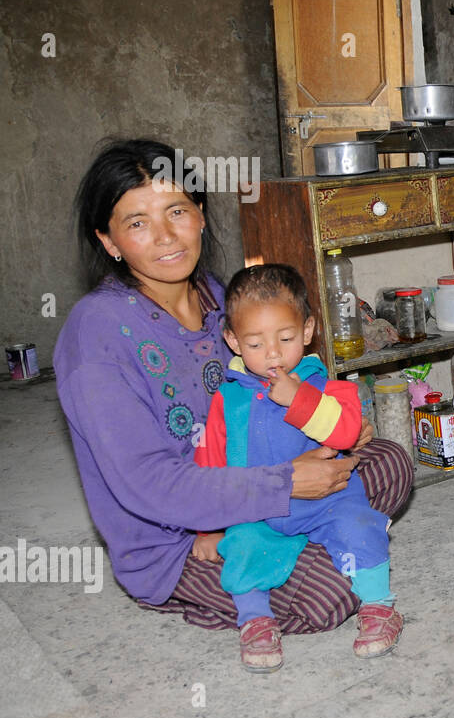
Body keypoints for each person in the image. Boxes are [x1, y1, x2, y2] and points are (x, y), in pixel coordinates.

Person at [54, 138, 412, 646]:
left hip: (268, 488)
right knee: (329, 594)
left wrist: (331, 421)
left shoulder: (219, 297)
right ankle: (316, 550)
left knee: (391, 459)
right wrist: (287, 483)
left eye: (177, 210)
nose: (165, 237)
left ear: (200, 213)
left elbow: (280, 383)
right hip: (179, 541)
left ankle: (311, 539)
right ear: (109, 242)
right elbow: (148, 486)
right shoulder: (96, 336)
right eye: (136, 223)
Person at [196, 263, 401, 671]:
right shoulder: (227, 400)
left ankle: (379, 606)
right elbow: (210, 463)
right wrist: (208, 528)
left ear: (307, 331)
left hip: (330, 501)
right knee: (243, 547)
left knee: (361, 527)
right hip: (260, 509)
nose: (273, 353)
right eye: (255, 344)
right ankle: (255, 620)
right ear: (233, 341)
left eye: (286, 338)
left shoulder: (327, 386)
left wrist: (299, 398)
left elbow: (346, 433)